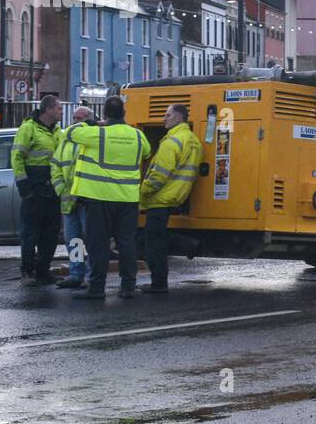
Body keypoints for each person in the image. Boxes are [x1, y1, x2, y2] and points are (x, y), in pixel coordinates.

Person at [67, 96, 150, 300]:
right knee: (127, 244)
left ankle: (96, 288)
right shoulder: (138, 136)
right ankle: (128, 286)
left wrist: (91, 122)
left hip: (99, 198)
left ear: (104, 114)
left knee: (98, 244)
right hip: (128, 199)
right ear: (124, 113)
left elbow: (70, 133)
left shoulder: (96, 133)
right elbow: (147, 152)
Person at [138, 103, 202, 293]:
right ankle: (188, 244)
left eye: (167, 115)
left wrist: (143, 191)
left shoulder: (171, 142)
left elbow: (159, 175)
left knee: (153, 242)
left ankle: (159, 283)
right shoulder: (193, 141)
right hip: (176, 196)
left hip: (160, 198)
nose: (163, 119)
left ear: (179, 118)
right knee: (159, 236)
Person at [11, 94, 62, 286]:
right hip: (35, 185)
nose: (61, 112)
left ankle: (43, 271)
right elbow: (17, 158)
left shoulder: (57, 131)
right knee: (31, 233)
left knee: (50, 233)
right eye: (58, 108)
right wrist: (25, 187)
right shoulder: (28, 129)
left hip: (53, 187)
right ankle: (28, 271)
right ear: (48, 109)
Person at [50, 105, 92, 289]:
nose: (76, 121)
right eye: (74, 117)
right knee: (74, 241)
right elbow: (56, 166)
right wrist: (61, 190)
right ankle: (77, 274)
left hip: (86, 199)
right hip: (70, 200)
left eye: (80, 118)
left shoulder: (91, 138)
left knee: (90, 241)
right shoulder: (66, 140)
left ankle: (90, 277)